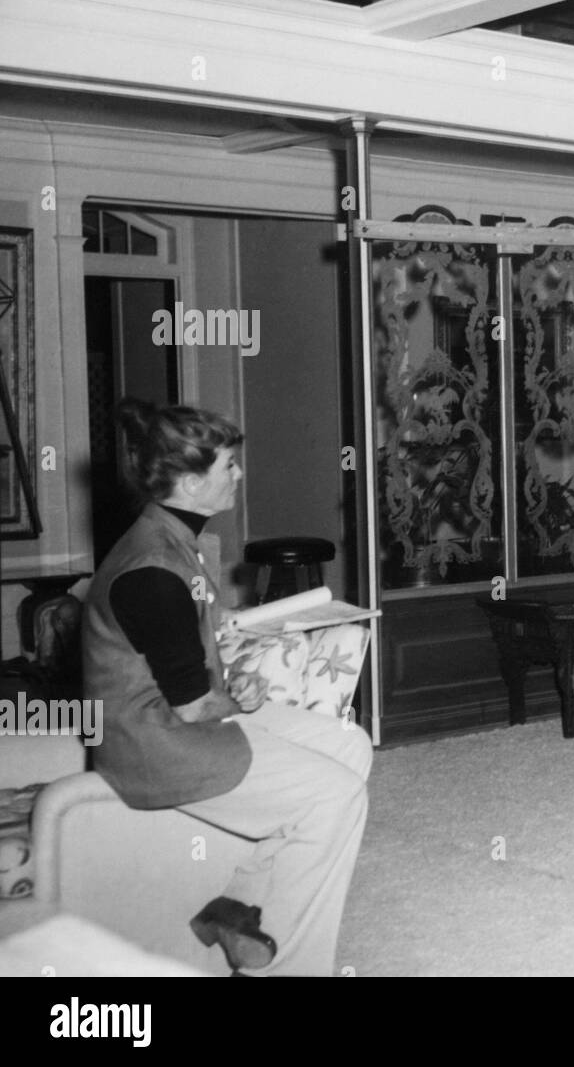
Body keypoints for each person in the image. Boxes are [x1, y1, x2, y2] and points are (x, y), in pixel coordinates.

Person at [81, 399, 372, 974]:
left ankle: (240, 907)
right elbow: (193, 707)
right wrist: (237, 697)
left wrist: (231, 674)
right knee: (335, 796)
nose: (239, 474)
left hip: (175, 718)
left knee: (348, 743)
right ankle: (288, 967)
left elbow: (185, 657)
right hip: (154, 745)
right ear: (191, 483)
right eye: (229, 466)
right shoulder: (152, 571)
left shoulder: (170, 537)